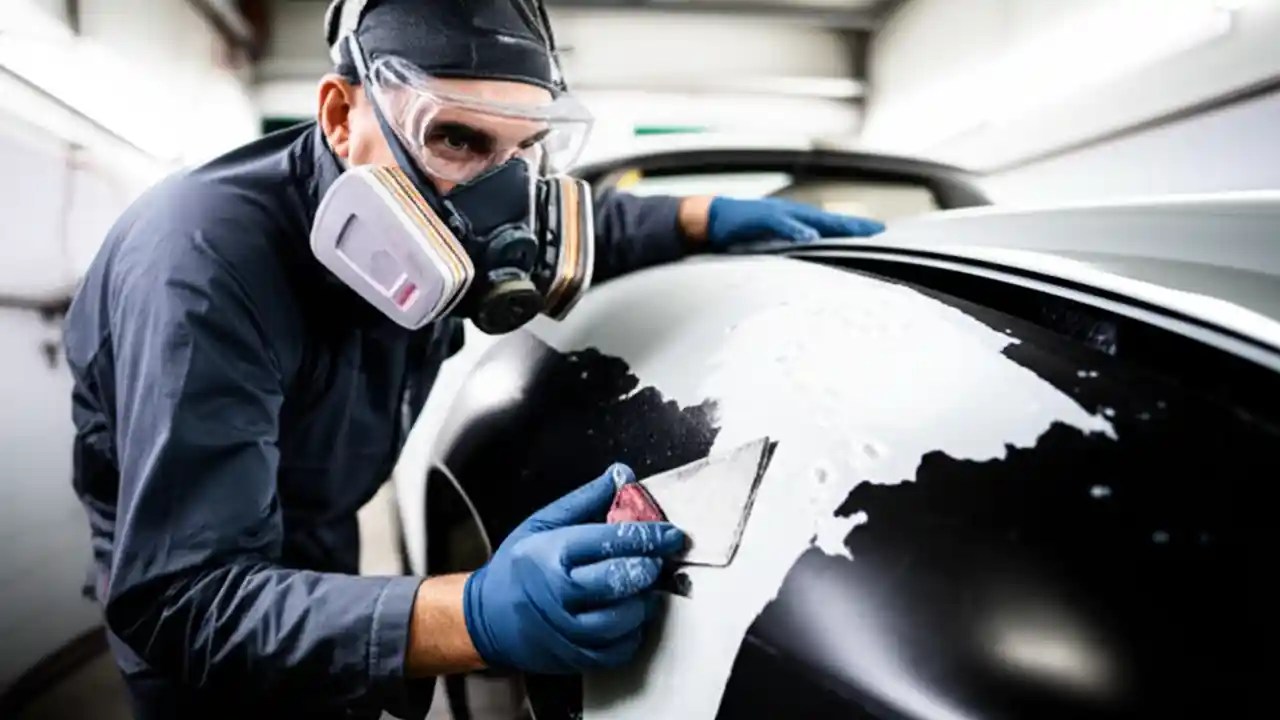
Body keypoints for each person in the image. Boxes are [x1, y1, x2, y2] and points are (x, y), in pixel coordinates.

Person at [62, 1, 885, 718]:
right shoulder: (203, 267)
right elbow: (181, 600)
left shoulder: (435, 206)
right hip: (203, 621)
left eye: (523, 149)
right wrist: (471, 616)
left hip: (318, 536)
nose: (499, 206)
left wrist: (703, 217)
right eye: (456, 136)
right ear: (340, 116)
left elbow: (582, 226)